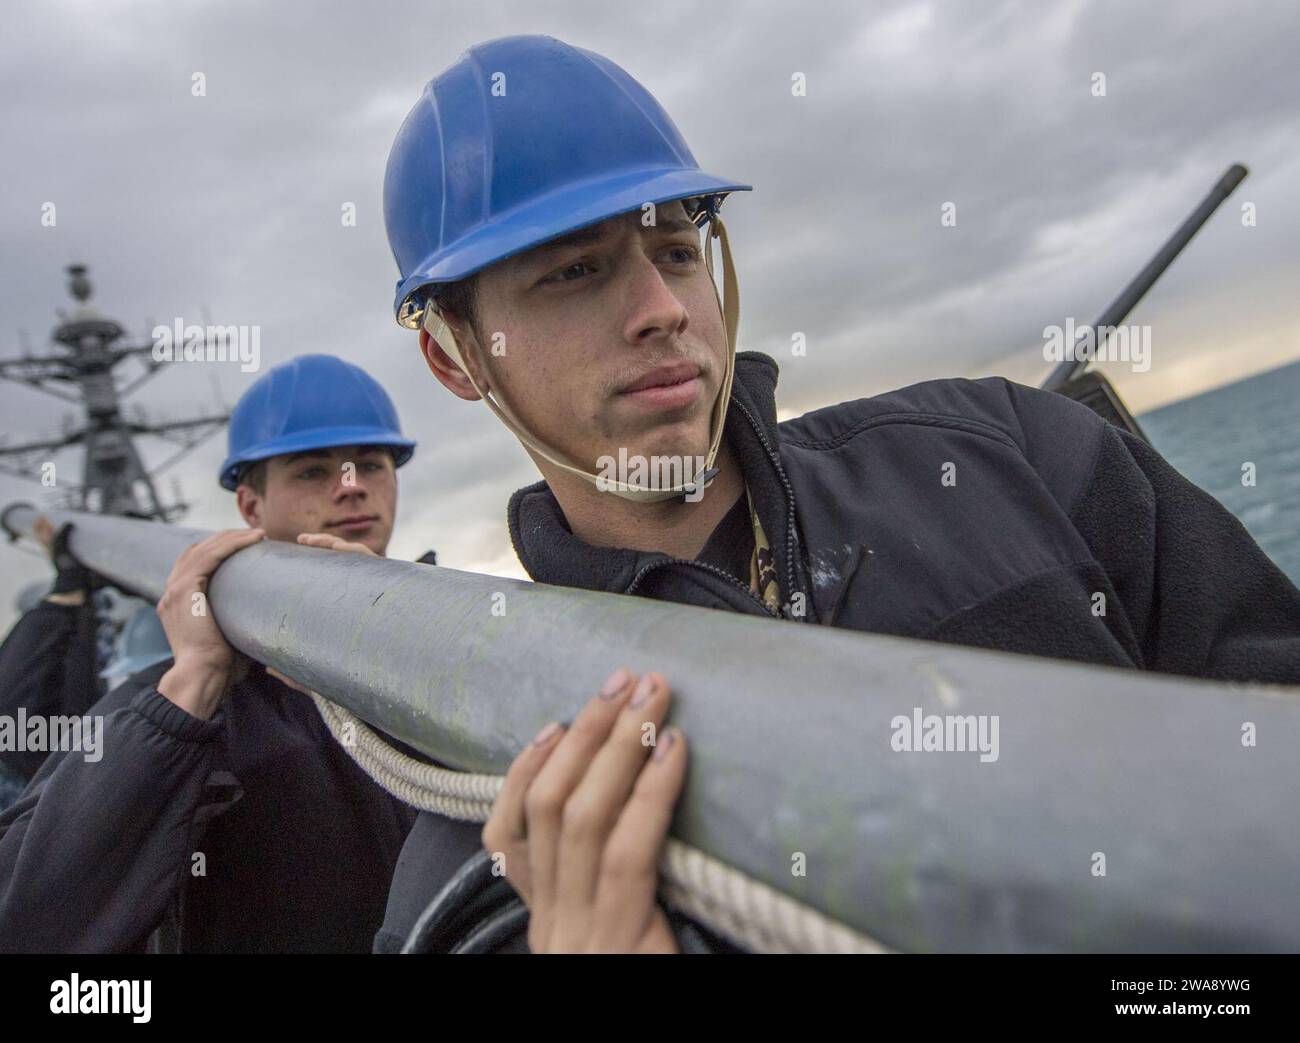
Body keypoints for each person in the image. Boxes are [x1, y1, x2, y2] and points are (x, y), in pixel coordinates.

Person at [374, 35, 1300, 953]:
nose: (662, 307)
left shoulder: (1011, 456)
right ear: (456, 355)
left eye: (677, 248)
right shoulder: (492, 818)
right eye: (575, 270)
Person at [0, 353, 426, 953]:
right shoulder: (181, 704)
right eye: (311, 471)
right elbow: (28, 925)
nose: (352, 487)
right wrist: (191, 691)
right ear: (251, 507)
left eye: (373, 466)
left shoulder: (445, 657)